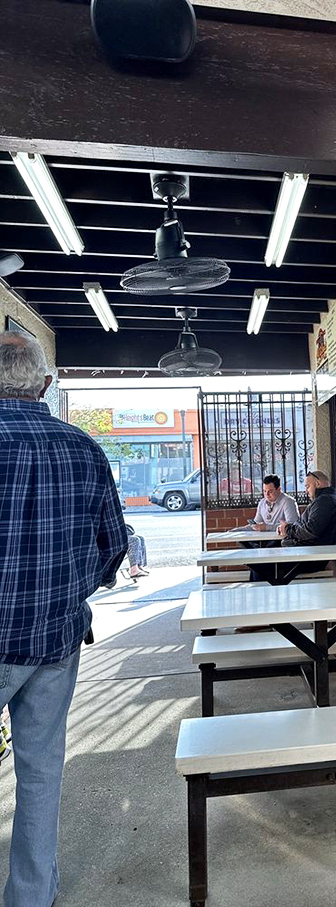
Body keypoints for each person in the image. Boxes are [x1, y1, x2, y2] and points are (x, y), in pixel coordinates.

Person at [0, 331, 128, 907]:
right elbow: (114, 545)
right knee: (41, 769)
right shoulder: (84, 449)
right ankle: (31, 896)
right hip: (56, 637)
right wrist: (72, 589)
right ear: (46, 384)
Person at [249, 470, 336, 584]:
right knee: (259, 561)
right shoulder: (322, 500)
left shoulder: (325, 501)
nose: (306, 490)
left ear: (317, 484)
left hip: (308, 558)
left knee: (260, 564)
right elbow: (305, 526)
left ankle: (261, 596)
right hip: (302, 552)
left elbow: (311, 530)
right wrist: (288, 527)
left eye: (307, 486)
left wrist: (287, 529)